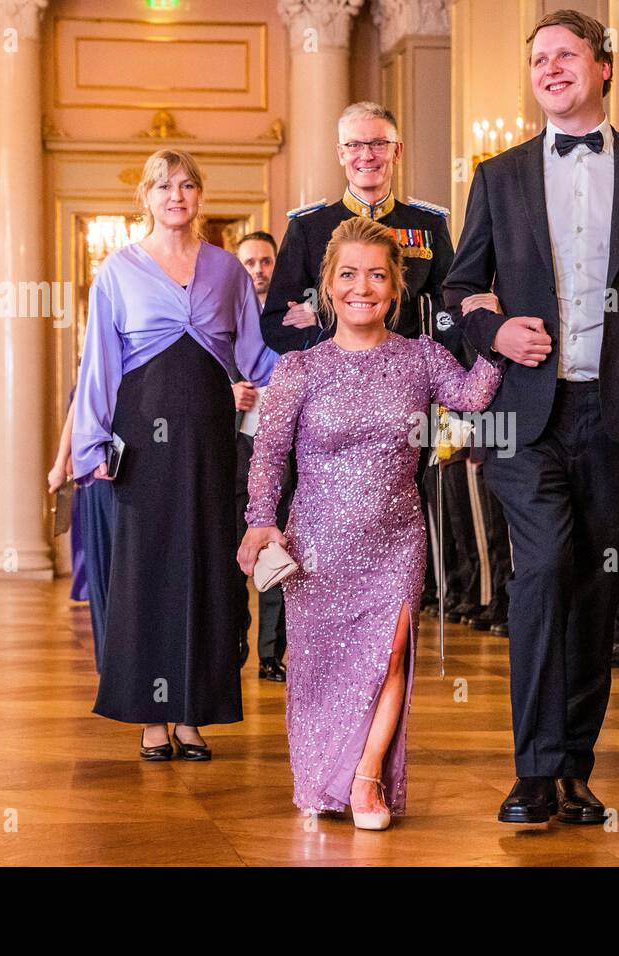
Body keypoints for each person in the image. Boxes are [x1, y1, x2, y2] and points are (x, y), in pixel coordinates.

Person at [444, 9, 619, 825]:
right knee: (547, 564)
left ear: (603, 68)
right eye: (538, 60)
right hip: (526, 416)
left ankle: (573, 768)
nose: (550, 69)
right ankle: (533, 767)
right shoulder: (499, 174)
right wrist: (495, 328)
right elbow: (456, 293)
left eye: (566, 56)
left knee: (597, 586)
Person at [238, 217, 501, 829]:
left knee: (390, 659)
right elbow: (270, 455)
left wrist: (490, 327)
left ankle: (366, 780)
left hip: (395, 542)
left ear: (396, 287)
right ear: (328, 286)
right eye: (350, 275)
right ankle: (324, 777)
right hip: (316, 547)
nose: (364, 287)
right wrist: (259, 522)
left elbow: (471, 398)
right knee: (322, 671)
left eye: (378, 275)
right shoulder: (300, 369)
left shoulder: (422, 358)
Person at [72, 148, 275, 761]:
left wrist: (324, 360)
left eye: (187, 186)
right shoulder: (118, 270)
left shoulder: (226, 270)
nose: (176, 196)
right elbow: (97, 366)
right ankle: (150, 718)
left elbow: (260, 357)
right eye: (164, 187)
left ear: (199, 196)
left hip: (212, 435)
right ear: (146, 198)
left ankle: (192, 713)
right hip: (141, 436)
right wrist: (91, 444)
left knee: (208, 566)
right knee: (147, 569)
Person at [261, 101, 456, 355]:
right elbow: (277, 323)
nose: (366, 155)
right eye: (354, 145)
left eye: (378, 144)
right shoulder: (307, 228)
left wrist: (419, 359)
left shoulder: (428, 225)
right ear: (341, 153)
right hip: (333, 381)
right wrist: (330, 343)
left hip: (410, 373)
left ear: (397, 151)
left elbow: (450, 310)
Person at [233, 230, 290, 682]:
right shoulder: (223, 312)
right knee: (235, 549)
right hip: (237, 448)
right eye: (249, 262)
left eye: (265, 261)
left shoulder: (296, 315)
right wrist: (227, 391)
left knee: (275, 548)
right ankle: (231, 647)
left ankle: (271, 655)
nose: (258, 269)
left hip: (286, 450)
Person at [48, 392, 115, 671]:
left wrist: (61, 464)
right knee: (106, 568)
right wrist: (61, 463)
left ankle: (118, 663)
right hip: (102, 470)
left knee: (113, 569)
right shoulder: (102, 355)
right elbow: (79, 404)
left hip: (119, 466)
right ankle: (112, 663)